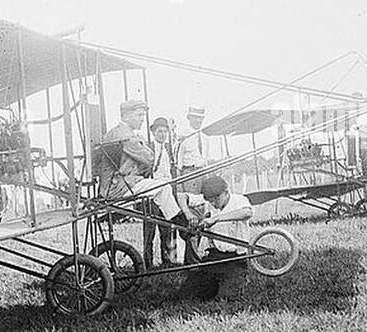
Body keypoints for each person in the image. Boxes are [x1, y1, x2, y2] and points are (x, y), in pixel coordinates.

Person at [179, 175, 254, 300]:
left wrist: (216, 218)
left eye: (216, 199)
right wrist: (188, 213)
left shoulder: (239, 200)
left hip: (236, 259)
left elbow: (247, 213)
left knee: (227, 298)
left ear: (226, 192)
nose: (213, 203)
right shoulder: (208, 202)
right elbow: (181, 196)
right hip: (214, 257)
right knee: (186, 295)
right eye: (210, 200)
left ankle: (238, 280)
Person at [143, 117, 189, 267]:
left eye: (165, 131)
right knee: (149, 231)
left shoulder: (169, 149)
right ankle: (148, 264)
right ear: (153, 132)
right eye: (159, 131)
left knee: (167, 228)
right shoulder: (147, 147)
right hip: (151, 193)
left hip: (166, 193)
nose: (162, 134)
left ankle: (168, 261)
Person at [97, 100, 156, 197]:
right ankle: (178, 212)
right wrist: (141, 142)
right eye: (139, 115)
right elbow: (150, 159)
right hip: (119, 187)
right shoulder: (125, 135)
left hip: (121, 184)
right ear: (126, 116)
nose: (142, 119)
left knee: (156, 188)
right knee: (164, 188)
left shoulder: (119, 132)